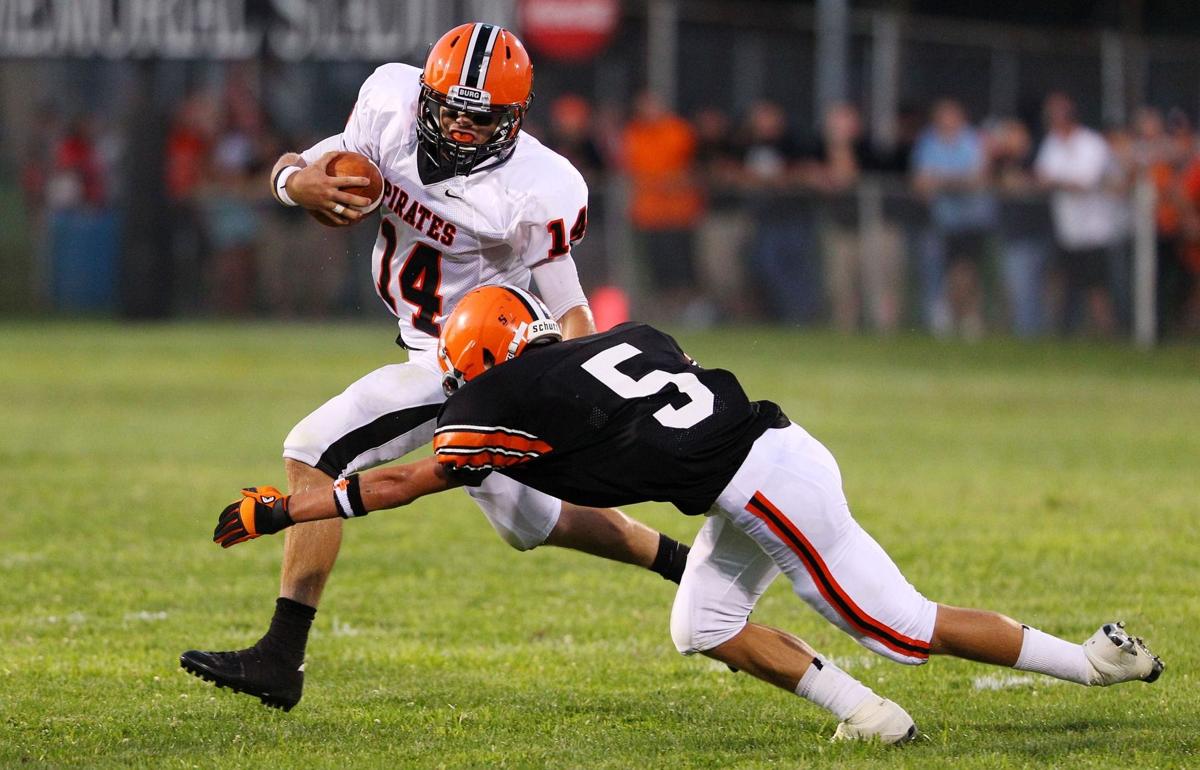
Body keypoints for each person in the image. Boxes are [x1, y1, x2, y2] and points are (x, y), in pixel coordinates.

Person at [213, 284, 1165, 744]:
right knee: (701, 621)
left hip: (765, 481)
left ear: (475, 360)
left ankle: (1092, 661)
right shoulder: (622, 335)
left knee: (896, 622)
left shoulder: (495, 398)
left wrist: (277, 511)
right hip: (748, 470)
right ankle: (868, 718)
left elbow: (396, 482)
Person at [180, 23, 692, 712]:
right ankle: (683, 564)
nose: (456, 123)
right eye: (447, 105)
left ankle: (280, 656)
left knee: (312, 449)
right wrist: (293, 183)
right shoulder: (390, 102)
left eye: (477, 115)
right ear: (425, 94)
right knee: (529, 522)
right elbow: (315, 161)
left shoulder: (536, 186)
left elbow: (572, 308)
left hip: (477, 359)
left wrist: (572, 386)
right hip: (424, 342)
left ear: (513, 119)